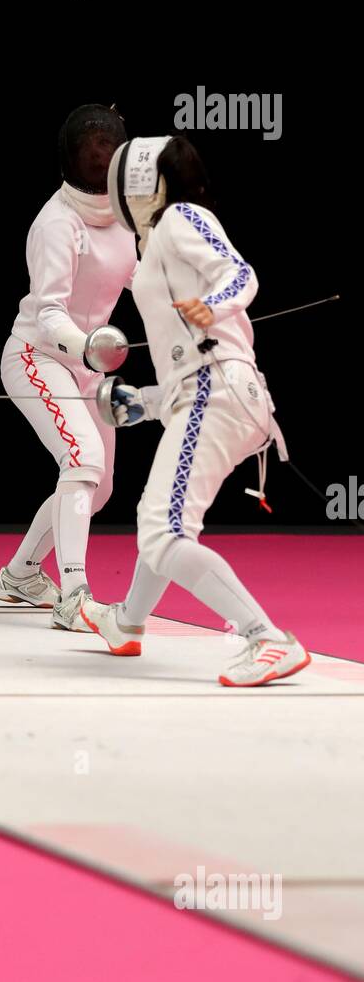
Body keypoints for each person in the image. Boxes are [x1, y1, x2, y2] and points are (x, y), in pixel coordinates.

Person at [80, 134, 310, 687]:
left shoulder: (182, 217)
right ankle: (128, 623)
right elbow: (186, 362)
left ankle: (267, 639)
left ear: (140, 184)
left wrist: (211, 305)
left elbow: (241, 273)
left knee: (162, 528)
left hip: (220, 392)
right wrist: (147, 402)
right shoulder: (160, 239)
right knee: (161, 517)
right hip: (210, 393)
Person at [0, 104, 136, 629]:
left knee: (99, 488)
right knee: (83, 461)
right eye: (90, 149)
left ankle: (22, 573)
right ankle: (74, 594)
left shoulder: (123, 217)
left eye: (107, 149)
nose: (98, 156)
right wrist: (87, 347)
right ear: (72, 157)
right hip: (38, 357)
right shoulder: (56, 223)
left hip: (88, 367)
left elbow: (132, 274)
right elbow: (49, 309)